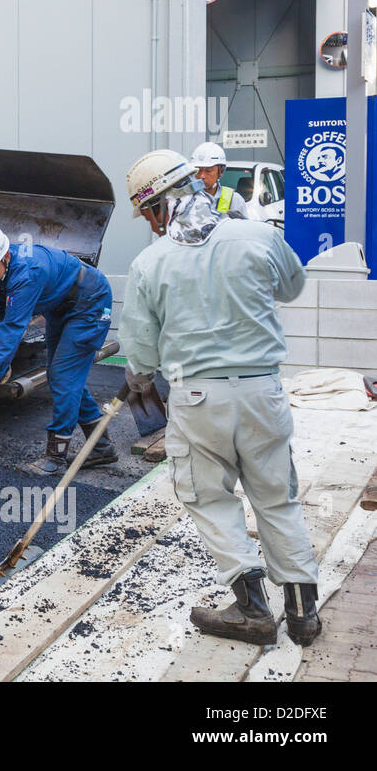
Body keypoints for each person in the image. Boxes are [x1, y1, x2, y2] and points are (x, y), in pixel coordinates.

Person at [118, 148, 320, 647]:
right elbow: (293, 286)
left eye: (146, 213)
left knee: (208, 496)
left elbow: (141, 352)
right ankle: (302, 613)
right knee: (276, 497)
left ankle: (252, 609)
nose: (148, 223)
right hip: (262, 391)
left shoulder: (150, 263)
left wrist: (139, 379)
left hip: (198, 397)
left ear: (159, 204)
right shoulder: (258, 235)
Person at [0, 221, 117, 475]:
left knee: (64, 377)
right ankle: (101, 447)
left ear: (6, 256)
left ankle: (55, 457)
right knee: (61, 376)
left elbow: (12, 329)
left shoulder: (26, 273)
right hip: (58, 306)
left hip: (90, 301)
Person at [191, 141, 247, 217]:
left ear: (221, 171)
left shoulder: (233, 200)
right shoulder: (187, 199)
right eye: (198, 170)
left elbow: (243, 227)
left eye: (208, 171)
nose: (202, 176)